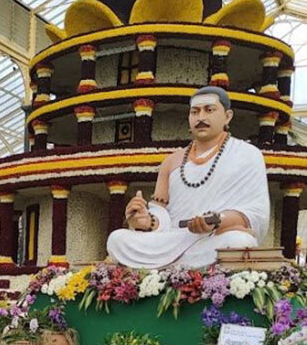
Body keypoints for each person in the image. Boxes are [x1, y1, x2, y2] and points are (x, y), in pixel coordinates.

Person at [107, 86, 269, 269]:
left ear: (227, 116)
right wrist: (147, 221)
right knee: (117, 240)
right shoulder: (172, 161)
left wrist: (217, 221)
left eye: (209, 110)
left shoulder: (247, 154)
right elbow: (162, 212)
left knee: (239, 241)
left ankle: (172, 269)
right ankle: (180, 268)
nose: (201, 118)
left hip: (214, 238)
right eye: (195, 112)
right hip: (174, 239)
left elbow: (257, 212)